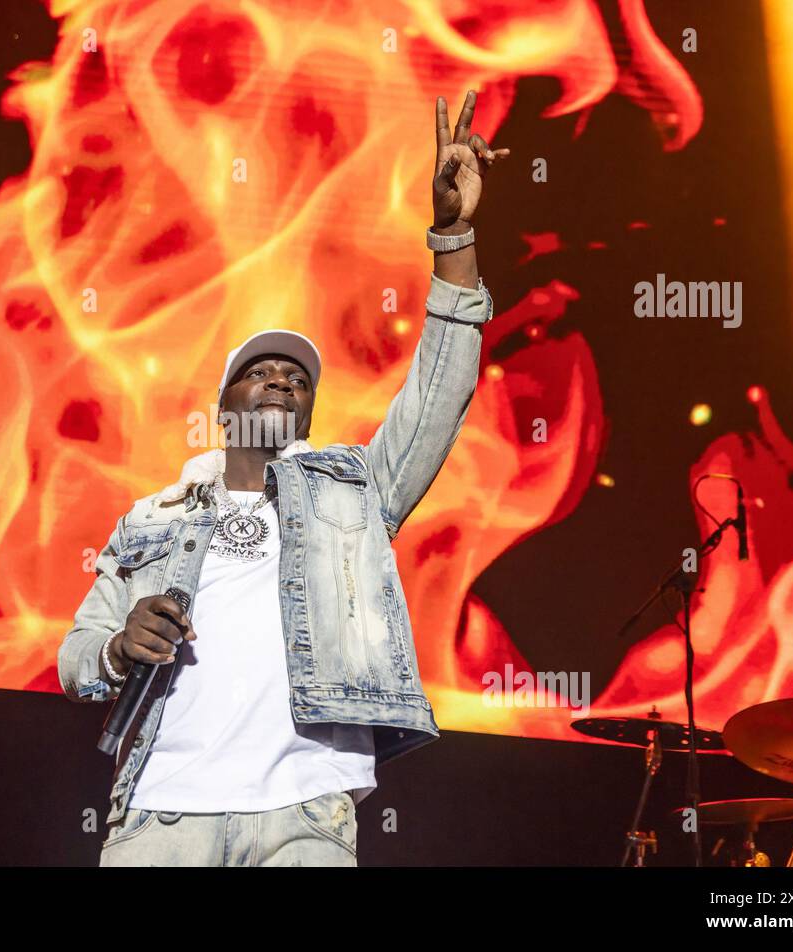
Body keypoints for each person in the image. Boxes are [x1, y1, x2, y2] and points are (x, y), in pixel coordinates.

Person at [58, 90, 508, 866]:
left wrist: (453, 237)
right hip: (162, 813)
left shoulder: (355, 493)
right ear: (224, 406)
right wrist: (121, 647)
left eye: (296, 379)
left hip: (304, 816)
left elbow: (439, 392)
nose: (280, 382)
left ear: (306, 412)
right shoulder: (154, 517)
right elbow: (78, 655)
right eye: (259, 373)